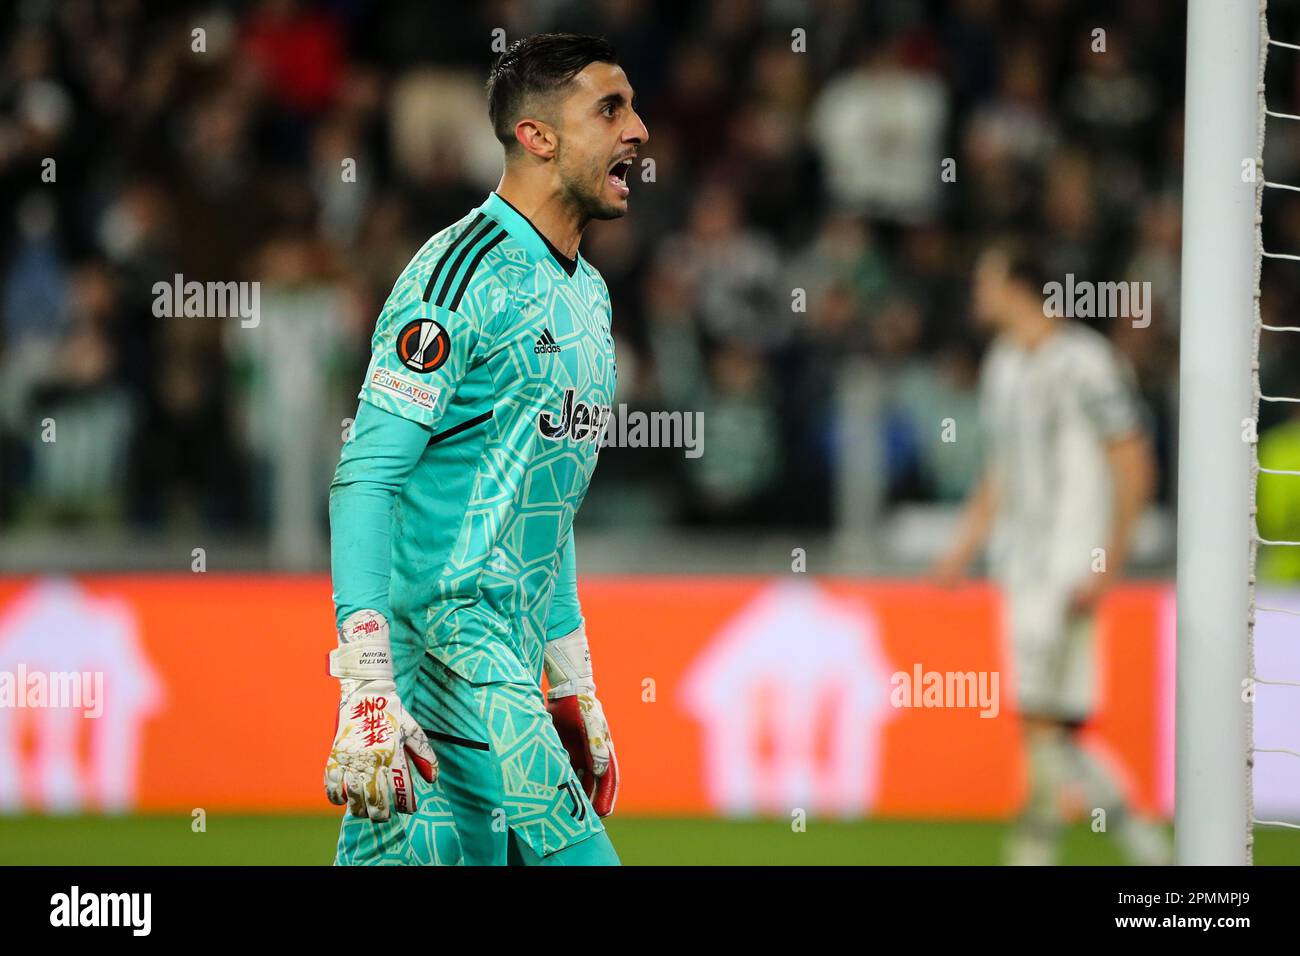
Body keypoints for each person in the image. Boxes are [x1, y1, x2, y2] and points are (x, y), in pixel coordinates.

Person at [324, 33, 648, 866]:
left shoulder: (590, 296)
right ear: (536, 137)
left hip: (507, 656)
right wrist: (364, 681)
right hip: (444, 645)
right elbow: (365, 479)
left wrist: (572, 675)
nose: (638, 130)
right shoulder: (456, 276)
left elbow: (547, 495)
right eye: (610, 109)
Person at [933, 242, 1170, 865]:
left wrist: (1107, 562)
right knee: (1050, 726)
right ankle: (1144, 849)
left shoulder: (1087, 362)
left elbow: (1132, 459)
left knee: (1042, 723)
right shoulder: (1003, 365)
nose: (977, 294)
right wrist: (963, 550)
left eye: (986, 280)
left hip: (1070, 567)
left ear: (1017, 284)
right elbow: (1000, 471)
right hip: (1021, 567)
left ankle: (1041, 853)